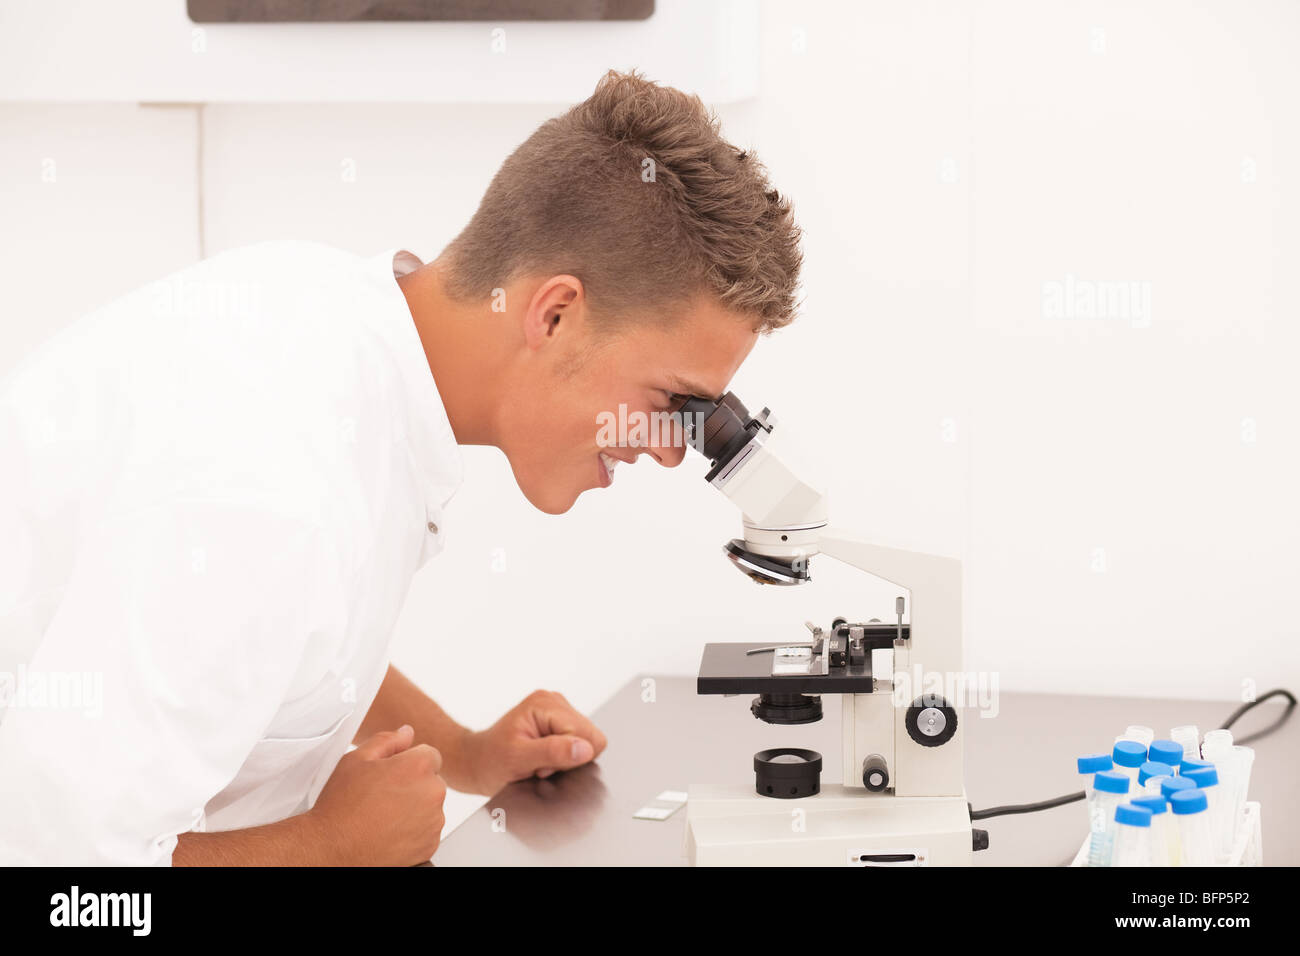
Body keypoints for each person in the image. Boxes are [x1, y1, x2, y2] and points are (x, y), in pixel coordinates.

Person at [0, 70, 803, 865]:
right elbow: (66, 885)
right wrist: (325, 847)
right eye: (675, 400)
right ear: (554, 314)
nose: (670, 448)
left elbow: (285, 640)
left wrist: (467, 751)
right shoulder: (270, 490)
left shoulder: (343, 336)